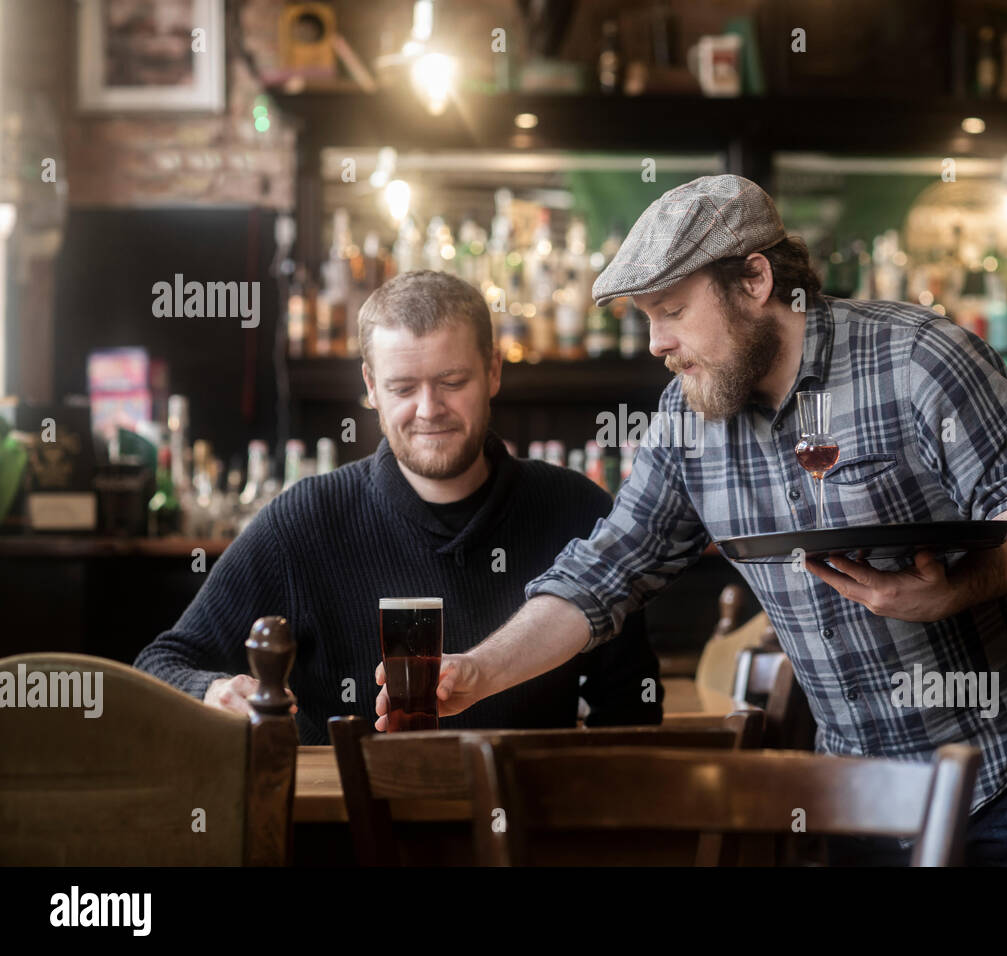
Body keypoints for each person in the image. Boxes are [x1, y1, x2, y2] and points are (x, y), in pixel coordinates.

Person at [377, 175, 1007, 866]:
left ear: (756, 281)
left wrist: (954, 590)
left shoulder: (918, 358)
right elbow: (607, 570)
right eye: (646, 319)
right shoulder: (686, 420)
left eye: (671, 312)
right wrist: (478, 673)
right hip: (863, 794)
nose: (657, 344)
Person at [135, 270, 662, 744]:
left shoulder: (576, 510)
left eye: (453, 382)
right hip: (348, 837)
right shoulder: (305, 520)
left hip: (518, 837)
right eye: (403, 388)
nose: (429, 410)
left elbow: (633, 704)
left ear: (494, 372)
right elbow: (160, 664)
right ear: (370, 387)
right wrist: (216, 690)